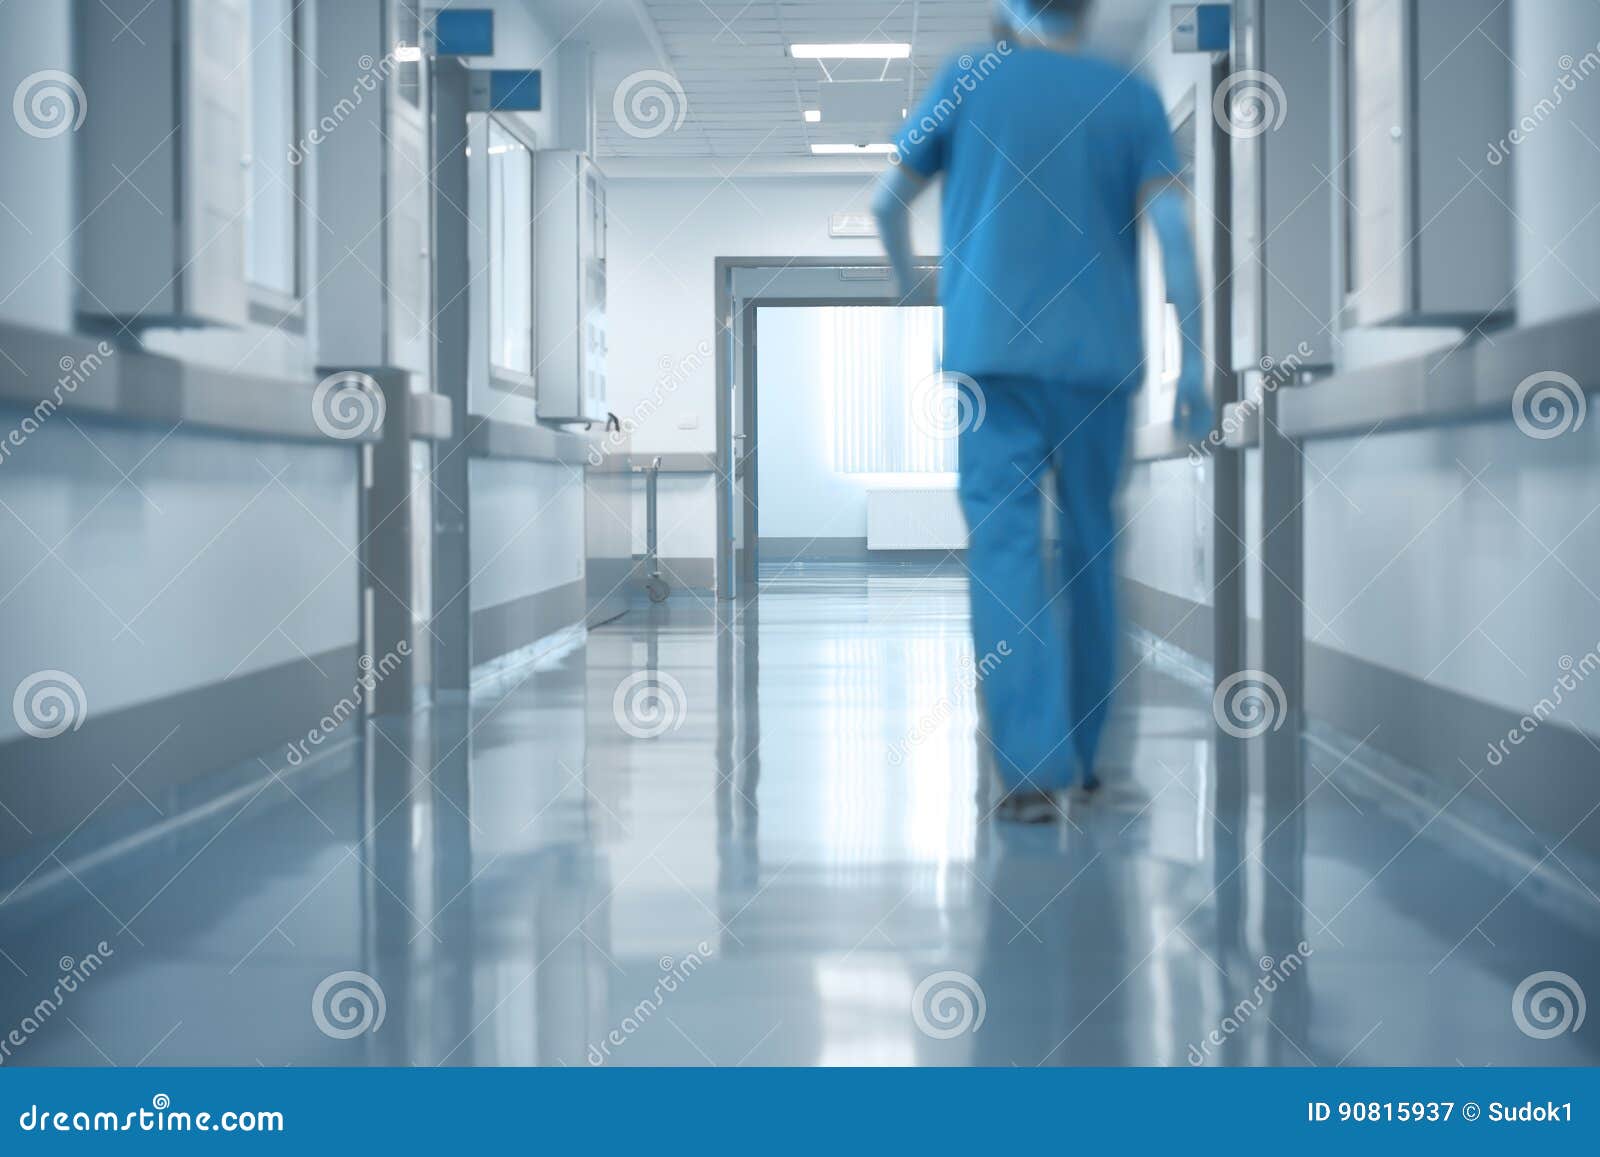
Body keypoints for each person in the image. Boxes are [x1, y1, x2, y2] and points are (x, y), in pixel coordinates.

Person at [872, 0, 1211, 822]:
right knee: (1094, 547)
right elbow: (1171, 225)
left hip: (992, 355)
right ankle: (1089, 759)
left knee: (1007, 549)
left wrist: (913, 285)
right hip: (1098, 361)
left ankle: (1029, 774)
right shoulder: (1126, 93)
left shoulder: (969, 77)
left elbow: (888, 201)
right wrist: (1196, 355)